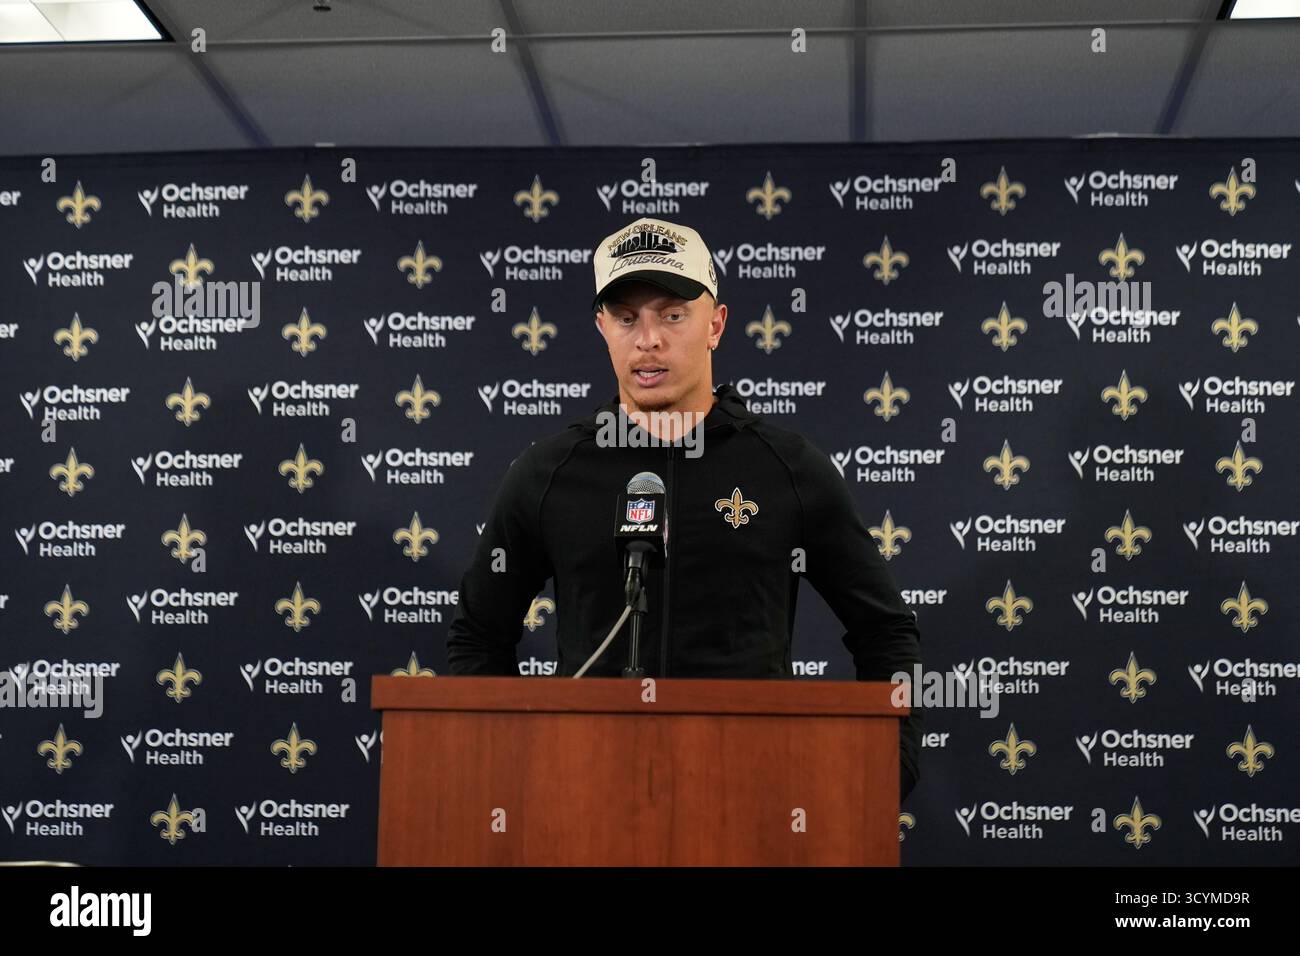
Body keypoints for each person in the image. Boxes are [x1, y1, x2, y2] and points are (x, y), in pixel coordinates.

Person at [446, 216, 922, 799]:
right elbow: (477, 636)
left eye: (672, 315)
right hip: (583, 801)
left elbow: (884, 629)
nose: (648, 340)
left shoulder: (787, 469)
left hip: (753, 798)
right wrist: (505, 770)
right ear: (602, 328)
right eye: (627, 318)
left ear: (716, 324)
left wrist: (889, 767)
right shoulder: (549, 474)